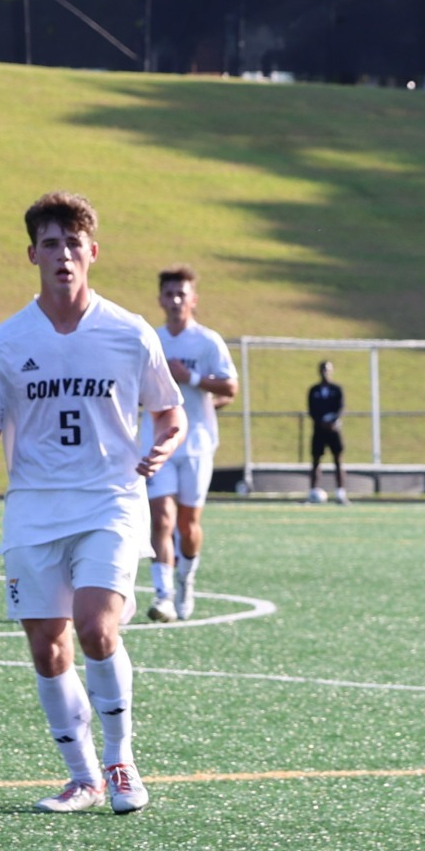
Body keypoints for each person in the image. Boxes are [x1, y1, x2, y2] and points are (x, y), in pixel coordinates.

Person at [0, 191, 186, 814]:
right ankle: (80, 776)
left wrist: (164, 446)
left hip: (109, 501)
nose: (63, 255)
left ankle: (120, 760)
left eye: (73, 243)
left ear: (92, 252)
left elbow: (171, 414)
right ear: (32, 253)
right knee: (47, 646)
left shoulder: (129, 332)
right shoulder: (5, 343)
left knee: (95, 627)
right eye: (50, 244)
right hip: (32, 507)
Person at [144, 265, 238, 623]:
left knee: (188, 525)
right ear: (160, 299)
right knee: (161, 519)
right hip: (158, 442)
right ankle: (163, 595)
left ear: (193, 300)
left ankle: (186, 579)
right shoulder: (150, 340)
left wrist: (191, 377)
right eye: (169, 294)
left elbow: (230, 387)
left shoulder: (208, 342)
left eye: (181, 294)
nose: (175, 300)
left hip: (196, 443)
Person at [306, 360, 347, 504]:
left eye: (327, 370)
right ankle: (312, 491)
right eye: (323, 370)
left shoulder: (337, 389)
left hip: (334, 430)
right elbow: (311, 410)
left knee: (338, 459)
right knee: (316, 460)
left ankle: (341, 493)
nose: (325, 372)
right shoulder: (314, 390)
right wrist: (321, 422)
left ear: (332, 371)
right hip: (319, 429)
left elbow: (340, 408)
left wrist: (333, 421)